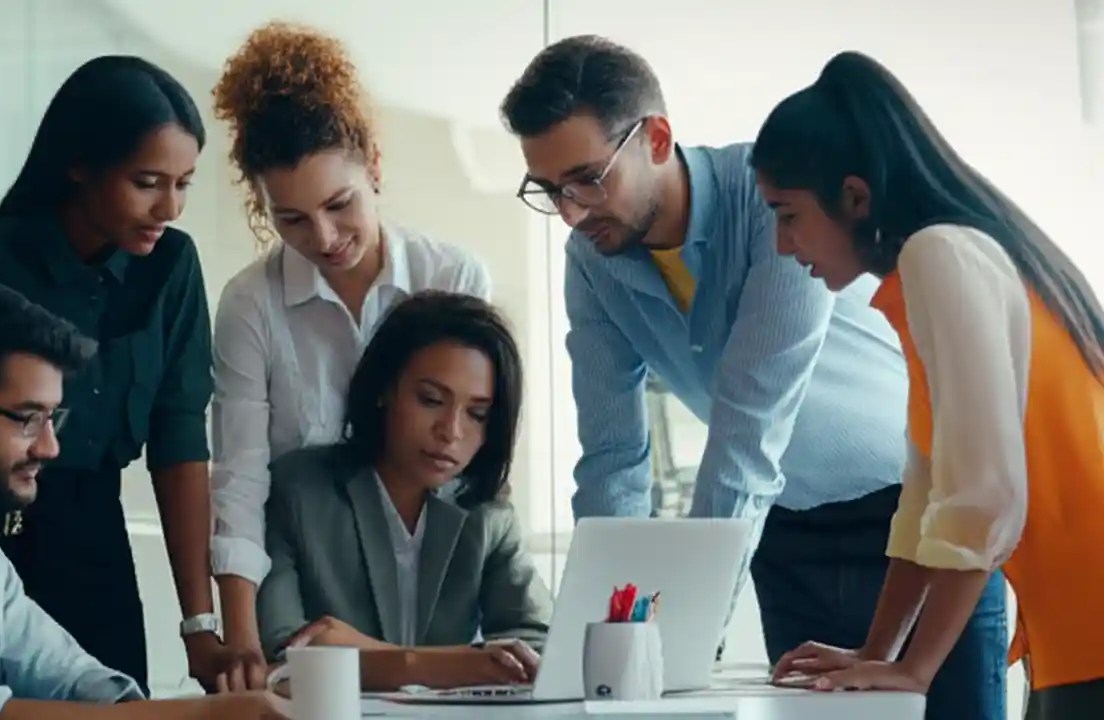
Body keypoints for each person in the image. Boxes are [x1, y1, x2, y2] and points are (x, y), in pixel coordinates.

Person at [500, 35, 1006, 719]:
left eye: (589, 179)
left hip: (917, 522)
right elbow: (614, 460)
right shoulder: (592, 262)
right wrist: (605, 642)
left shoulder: (773, 202)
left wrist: (679, 643)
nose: (571, 212)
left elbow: (746, 434)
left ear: (654, 139)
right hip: (786, 536)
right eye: (550, 189)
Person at [755, 51, 1104, 719]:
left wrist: (914, 669)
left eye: (788, 213)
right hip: (1074, 637)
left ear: (855, 197)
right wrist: (878, 653)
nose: (781, 244)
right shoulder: (939, 267)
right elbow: (928, 501)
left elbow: (984, 497)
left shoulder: (938, 254)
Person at [0, 279, 289, 720]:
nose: (49, 448)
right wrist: (197, 716)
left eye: (53, 419)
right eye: (27, 420)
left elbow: (69, 675)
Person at [0, 56, 222, 694]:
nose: (170, 206)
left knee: (113, 703)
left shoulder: (172, 265)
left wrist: (199, 623)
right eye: (147, 181)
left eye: (184, 182)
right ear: (79, 164)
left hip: (96, 540)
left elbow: (179, 435)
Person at [208, 22, 492, 690]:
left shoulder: (451, 276)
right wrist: (239, 644)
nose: (326, 237)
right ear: (263, 207)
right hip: (302, 591)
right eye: (292, 219)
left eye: (341, 205)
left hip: (428, 586)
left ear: (375, 166)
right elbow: (241, 480)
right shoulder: (251, 304)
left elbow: (471, 452)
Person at [255, 291, 552, 691]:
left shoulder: (489, 512)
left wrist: (378, 657)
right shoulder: (298, 489)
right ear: (383, 389)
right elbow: (282, 661)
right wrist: (456, 665)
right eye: (430, 400)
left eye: (477, 414)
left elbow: (541, 648)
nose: (451, 431)